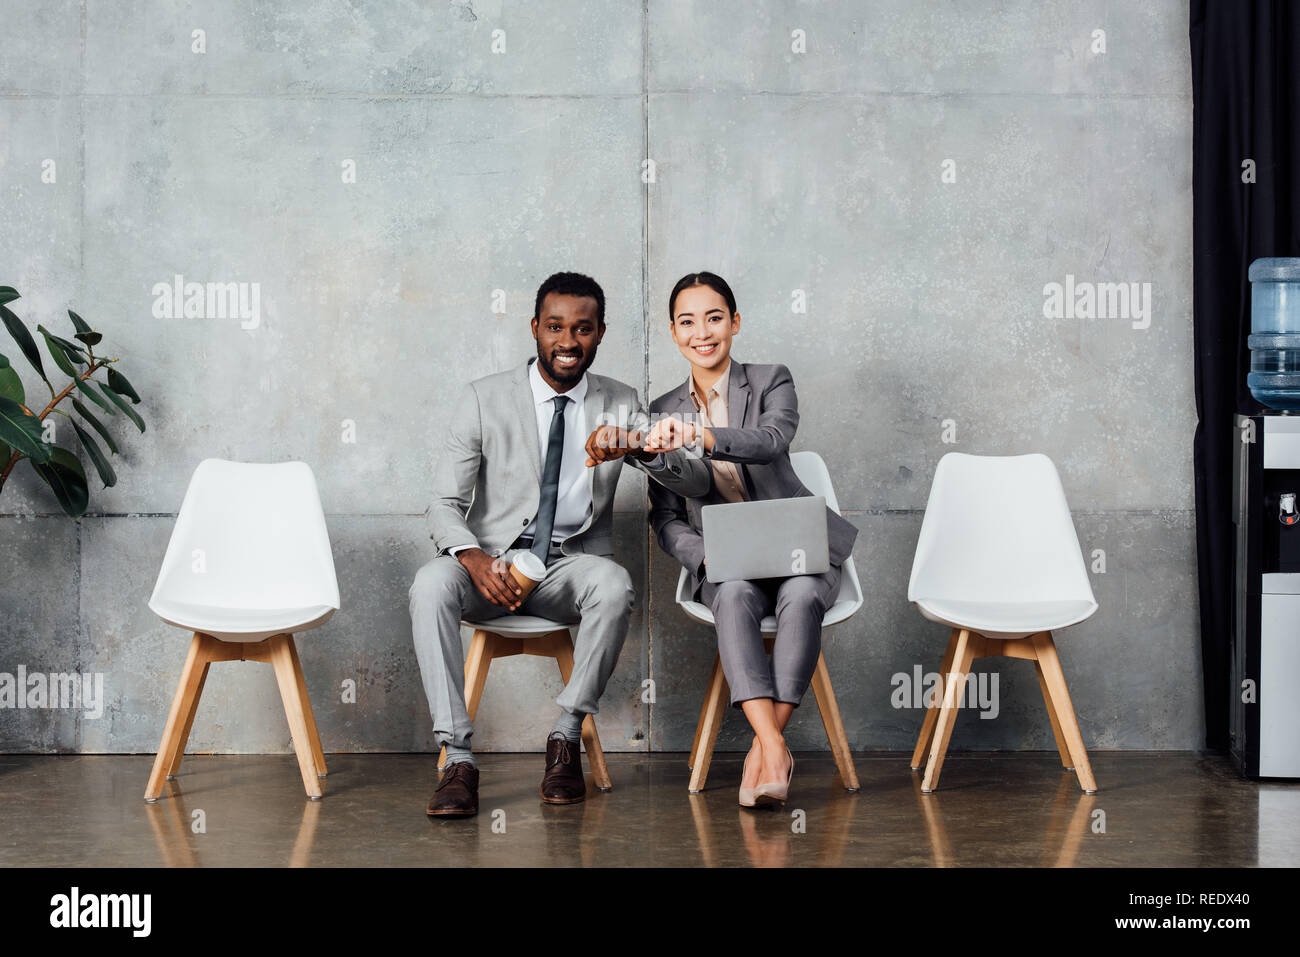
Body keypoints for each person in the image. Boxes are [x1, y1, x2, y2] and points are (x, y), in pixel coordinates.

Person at [411, 271, 709, 817]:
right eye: (555, 327)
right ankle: (457, 757)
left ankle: (567, 735)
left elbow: (694, 481)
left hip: (567, 567)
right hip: (491, 565)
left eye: (582, 329)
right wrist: (473, 558)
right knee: (431, 582)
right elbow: (441, 505)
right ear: (535, 329)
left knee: (614, 584)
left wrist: (639, 448)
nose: (568, 341)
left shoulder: (621, 400)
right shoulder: (482, 398)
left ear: (599, 334)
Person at [641, 271, 858, 808]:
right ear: (673, 332)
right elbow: (665, 517)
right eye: (687, 322)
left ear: (734, 323)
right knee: (734, 595)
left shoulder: (769, 380)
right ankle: (774, 748)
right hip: (729, 563)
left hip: (799, 549)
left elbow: (771, 440)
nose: (702, 332)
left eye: (714, 317)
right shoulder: (660, 411)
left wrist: (699, 434)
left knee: (804, 595)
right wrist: (703, 555)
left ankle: (765, 750)